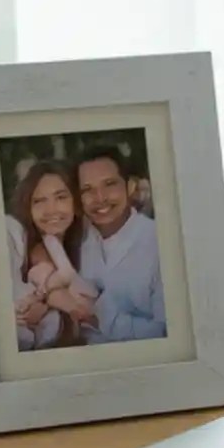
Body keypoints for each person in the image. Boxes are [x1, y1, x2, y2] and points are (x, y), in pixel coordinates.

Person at [75, 146, 167, 343]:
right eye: (87, 189)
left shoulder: (160, 242)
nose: (100, 198)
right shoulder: (77, 241)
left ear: (130, 186)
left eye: (109, 184)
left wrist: (98, 314)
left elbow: (166, 333)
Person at [6, 159, 94, 350]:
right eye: (39, 201)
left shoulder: (87, 243)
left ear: (76, 201)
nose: (51, 210)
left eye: (61, 197)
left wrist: (46, 303)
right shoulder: (28, 249)